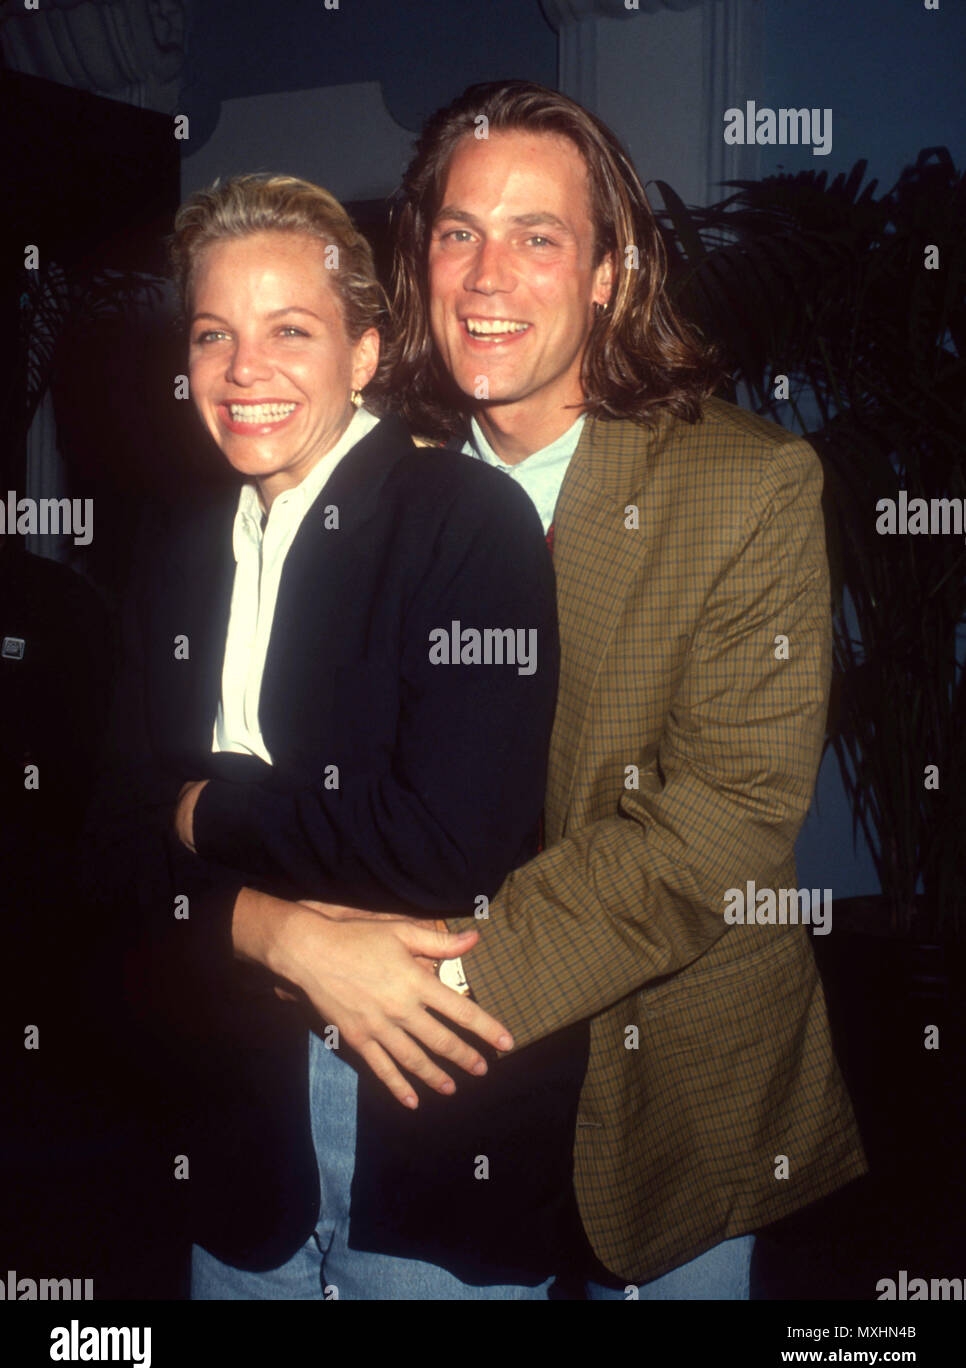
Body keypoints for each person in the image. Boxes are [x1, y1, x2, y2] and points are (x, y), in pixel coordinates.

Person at [261, 80, 868, 1299]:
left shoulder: (745, 488)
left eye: (539, 238)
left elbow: (723, 826)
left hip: (664, 1071)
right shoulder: (354, 478)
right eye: (458, 232)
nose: (489, 279)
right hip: (424, 1113)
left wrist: (429, 983)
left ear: (607, 273)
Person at [89, 172, 590, 1299]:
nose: (243, 370)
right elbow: (107, 858)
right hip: (234, 1143)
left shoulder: (463, 521)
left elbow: (447, 843)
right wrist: (273, 931)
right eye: (214, 333)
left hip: (430, 1137)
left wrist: (209, 806)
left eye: (290, 331)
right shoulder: (171, 554)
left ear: (364, 354)